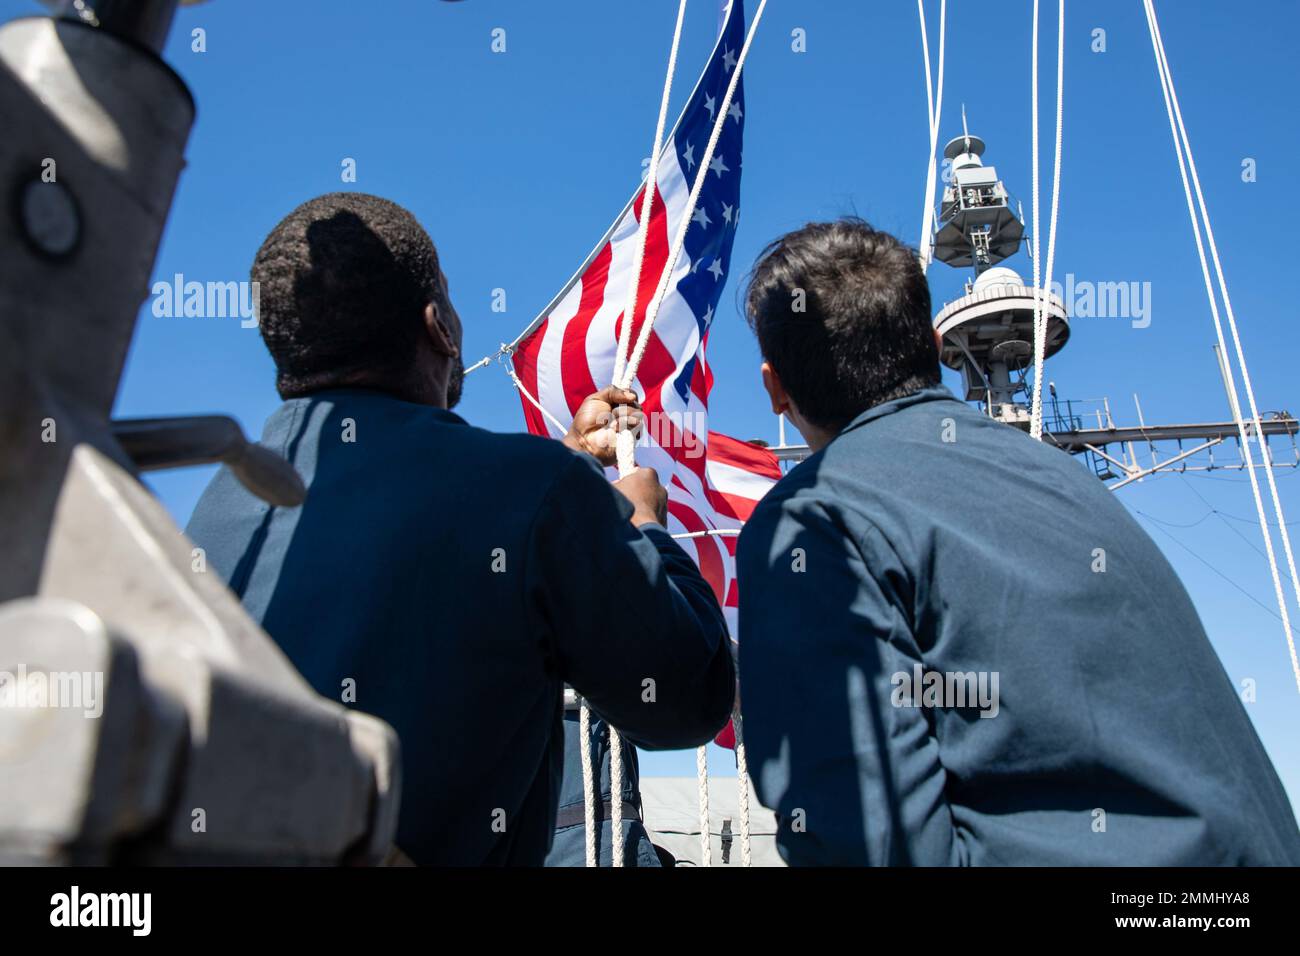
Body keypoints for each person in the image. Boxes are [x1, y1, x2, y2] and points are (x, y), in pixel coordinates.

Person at [186, 192, 733, 865]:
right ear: (438, 326)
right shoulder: (530, 494)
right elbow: (685, 698)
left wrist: (557, 470)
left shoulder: (214, 508)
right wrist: (644, 522)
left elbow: (410, 527)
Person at [735, 217, 1300, 866]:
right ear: (931, 340)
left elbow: (871, 846)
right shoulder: (1068, 483)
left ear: (774, 387)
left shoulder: (812, 518)